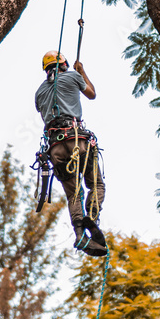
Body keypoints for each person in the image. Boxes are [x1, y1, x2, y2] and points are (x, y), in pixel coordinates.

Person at [35, 50, 107, 257]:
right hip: (78, 141)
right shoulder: (73, 76)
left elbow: (43, 113)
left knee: (73, 193)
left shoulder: (39, 91)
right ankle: (91, 217)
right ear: (64, 65)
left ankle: (79, 235)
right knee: (96, 184)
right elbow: (92, 94)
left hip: (56, 148)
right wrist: (82, 72)